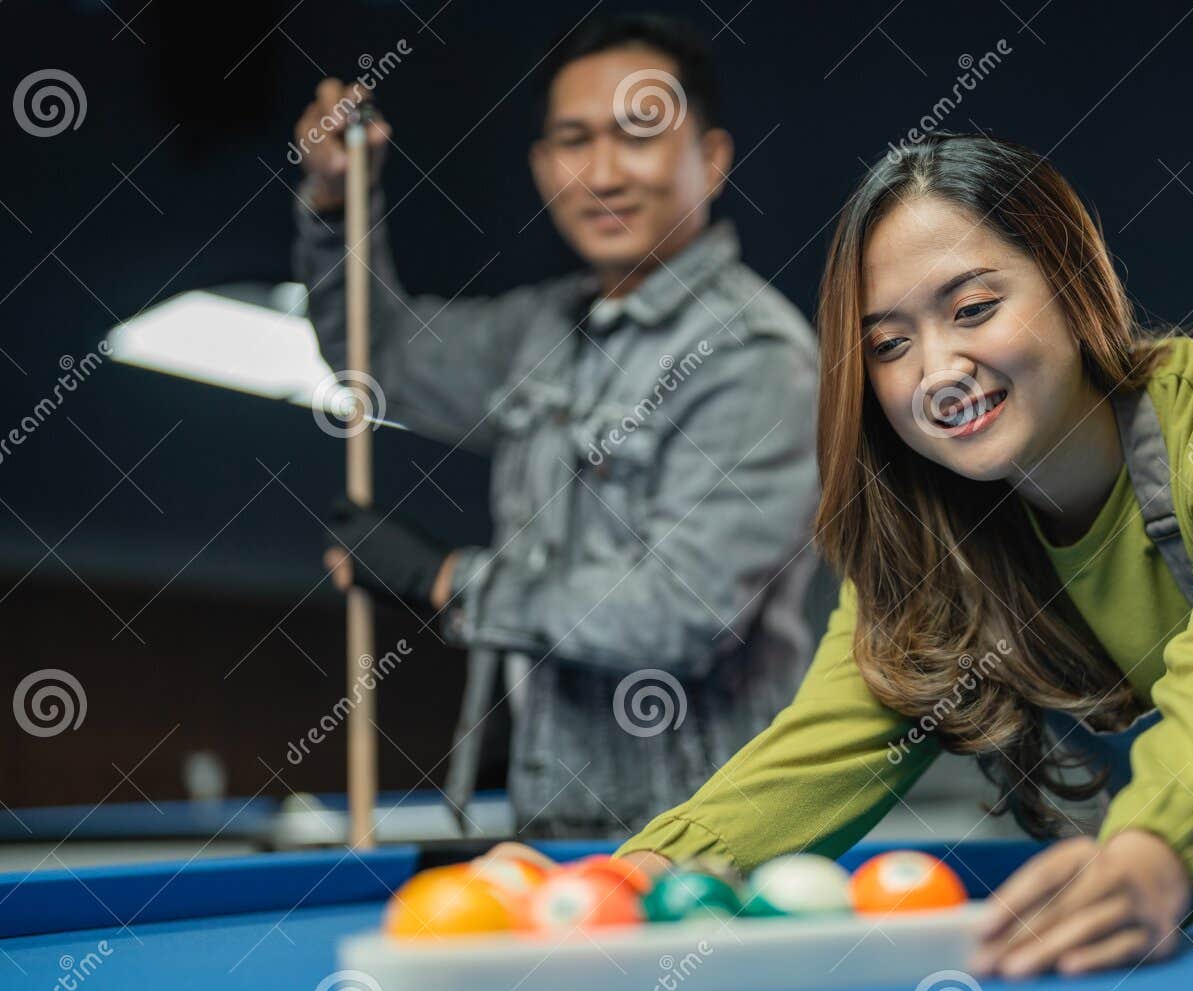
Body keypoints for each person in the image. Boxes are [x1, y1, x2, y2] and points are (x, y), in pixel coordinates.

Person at [612, 133, 1193, 975]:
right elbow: (819, 755)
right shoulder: (933, 547)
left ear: (1073, 285)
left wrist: (1156, 855)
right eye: (890, 345)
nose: (936, 371)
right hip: (1189, 867)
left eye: (974, 308)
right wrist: (634, 881)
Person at [291, 14, 819, 838]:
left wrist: (447, 581)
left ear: (711, 159)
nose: (602, 172)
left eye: (638, 134)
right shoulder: (539, 333)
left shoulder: (755, 356)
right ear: (543, 167)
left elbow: (677, 616)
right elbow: (378, 353)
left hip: (712, 848)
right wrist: (336, 203)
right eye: (574, 140)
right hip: (557, 837)